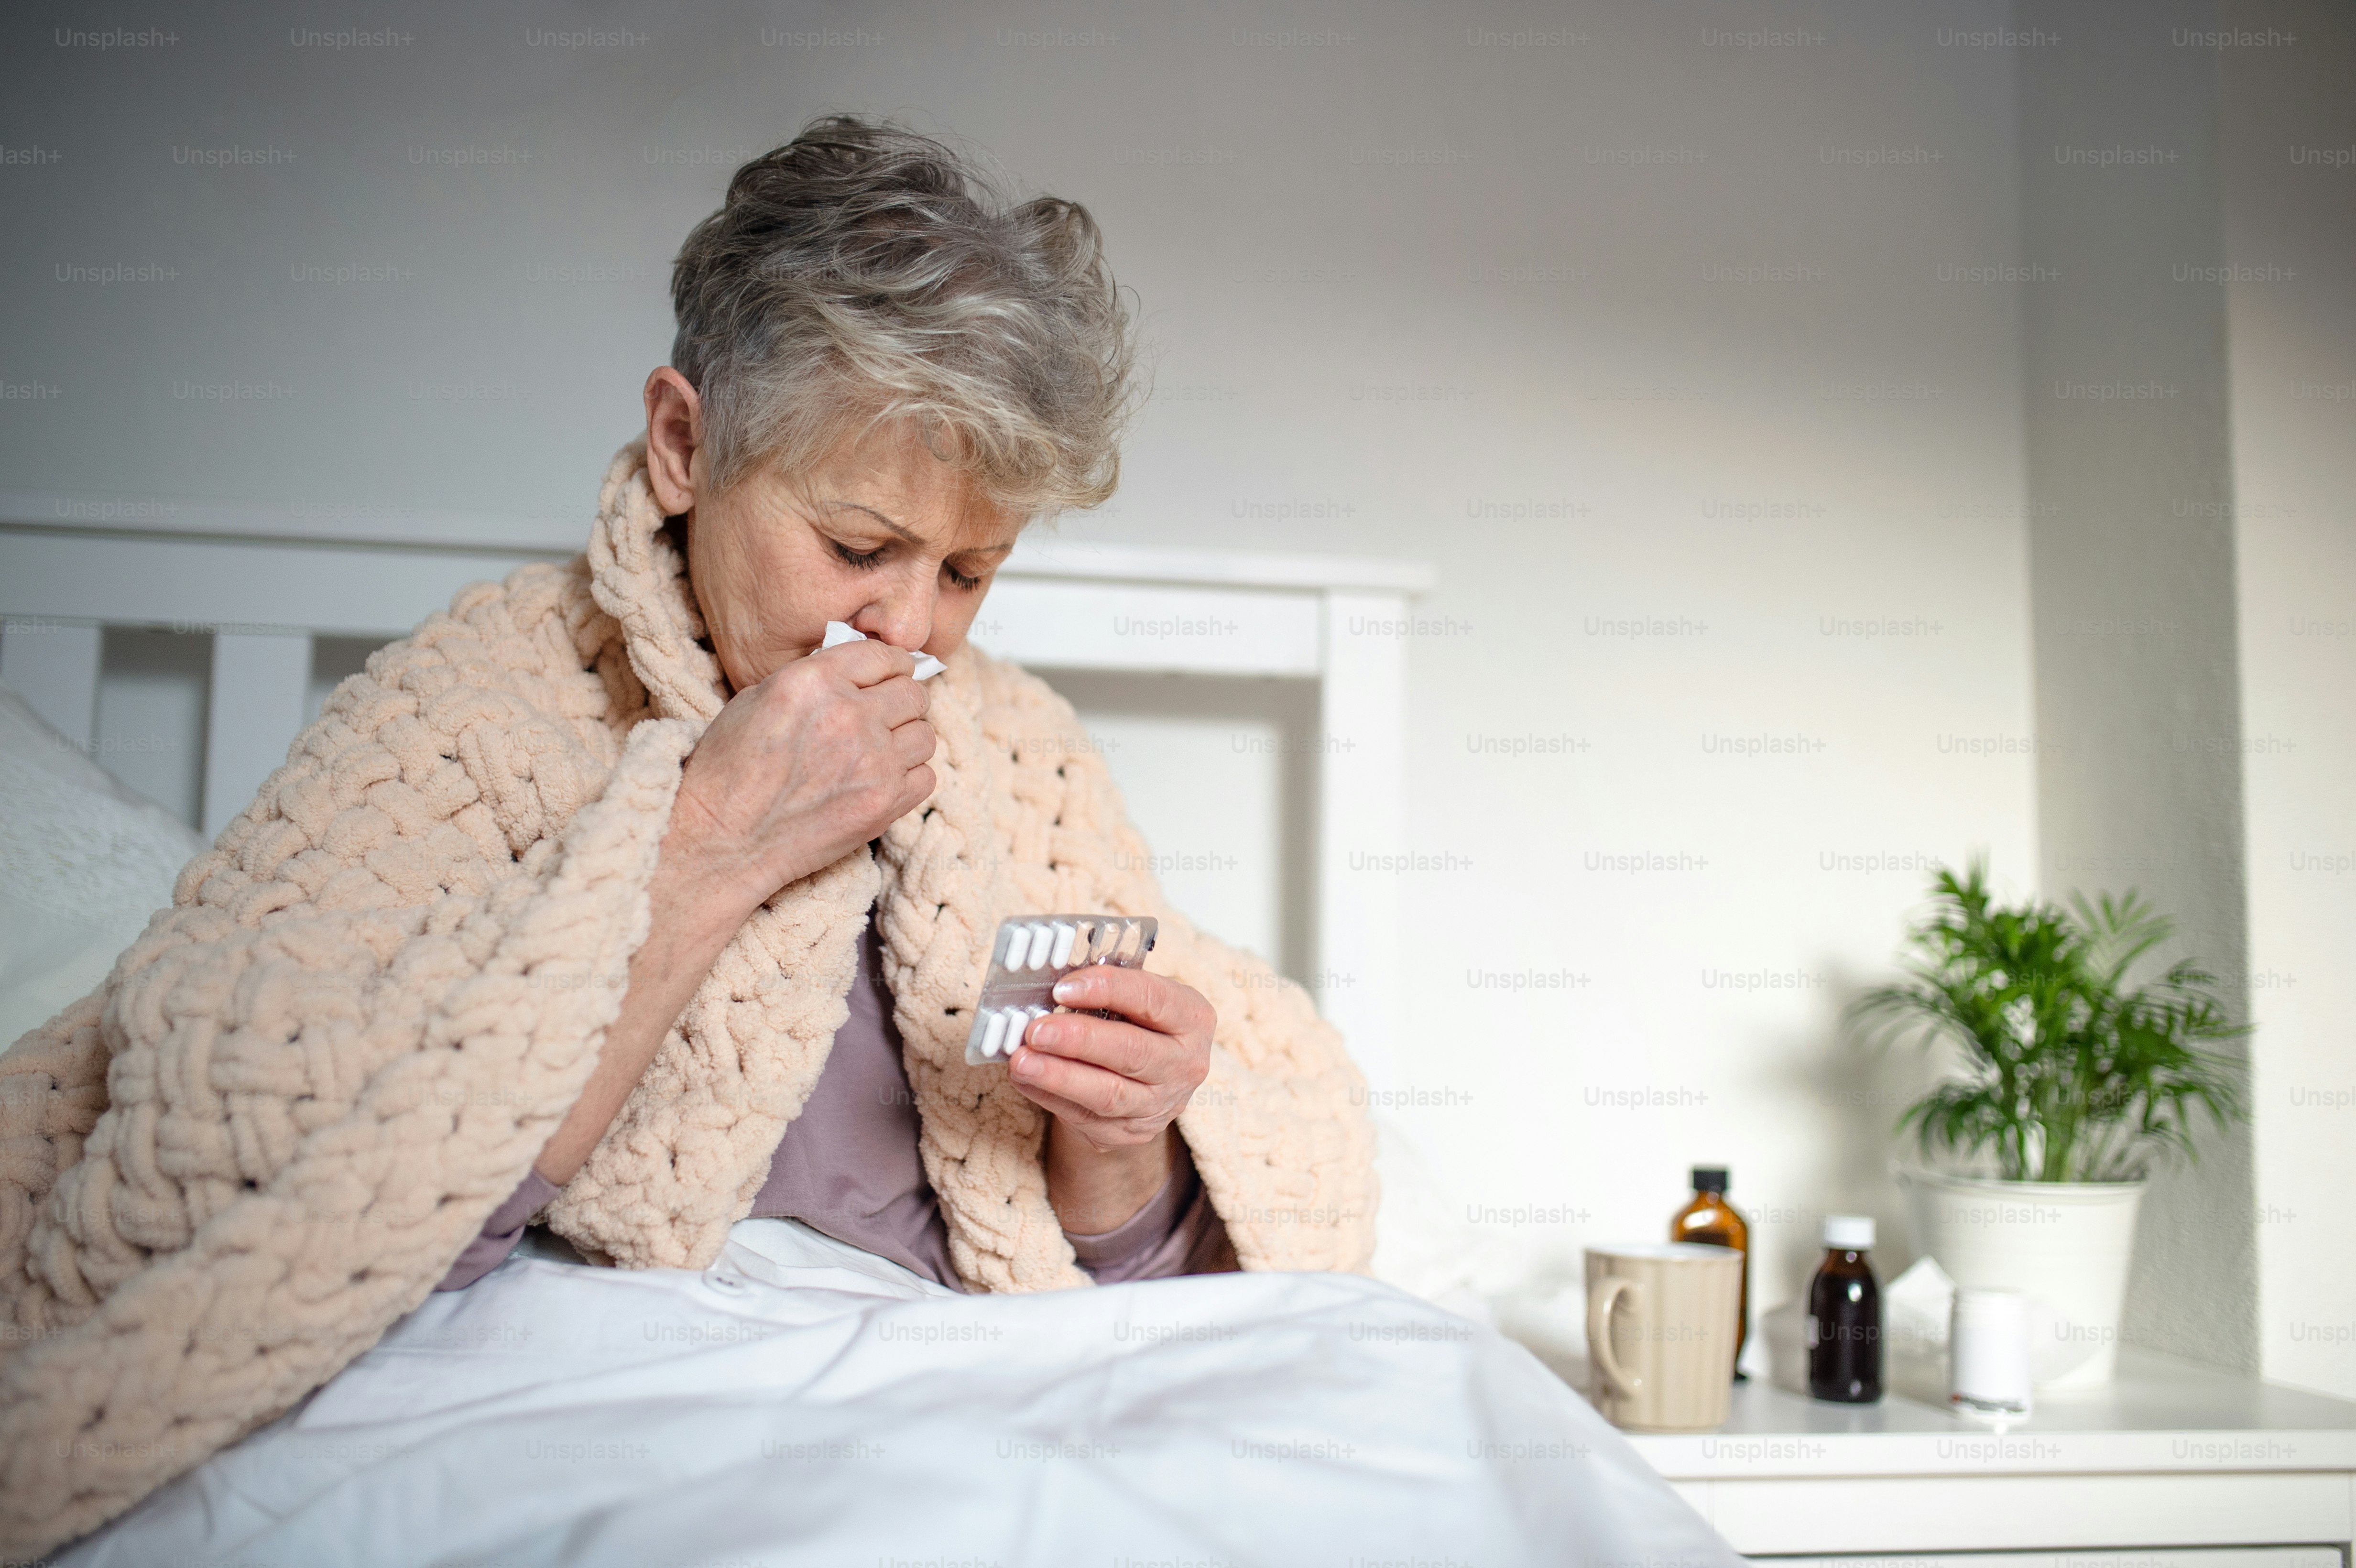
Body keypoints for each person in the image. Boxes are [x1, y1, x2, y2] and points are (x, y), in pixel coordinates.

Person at [0, 115, 1374, 1554]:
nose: (909, 626)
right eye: (857, 548)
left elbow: (1135, 1293)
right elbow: (320, 1208)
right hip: (566, 1368)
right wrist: (712, 840)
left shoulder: (1016, 751)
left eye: (970, 571)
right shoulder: (481, 706)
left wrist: (1122, 1139)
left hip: (948, 1387)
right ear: (684, 446)